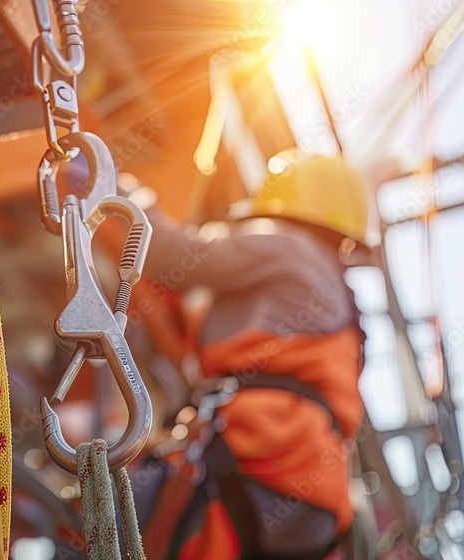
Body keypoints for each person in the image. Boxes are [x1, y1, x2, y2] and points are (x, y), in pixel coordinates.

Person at [129, 150, 369, 559]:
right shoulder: (337, 294)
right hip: (309, 494)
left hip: (255, 458)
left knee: (102, 520)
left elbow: (168, 253)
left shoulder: (285, 247)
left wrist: (112, 186)